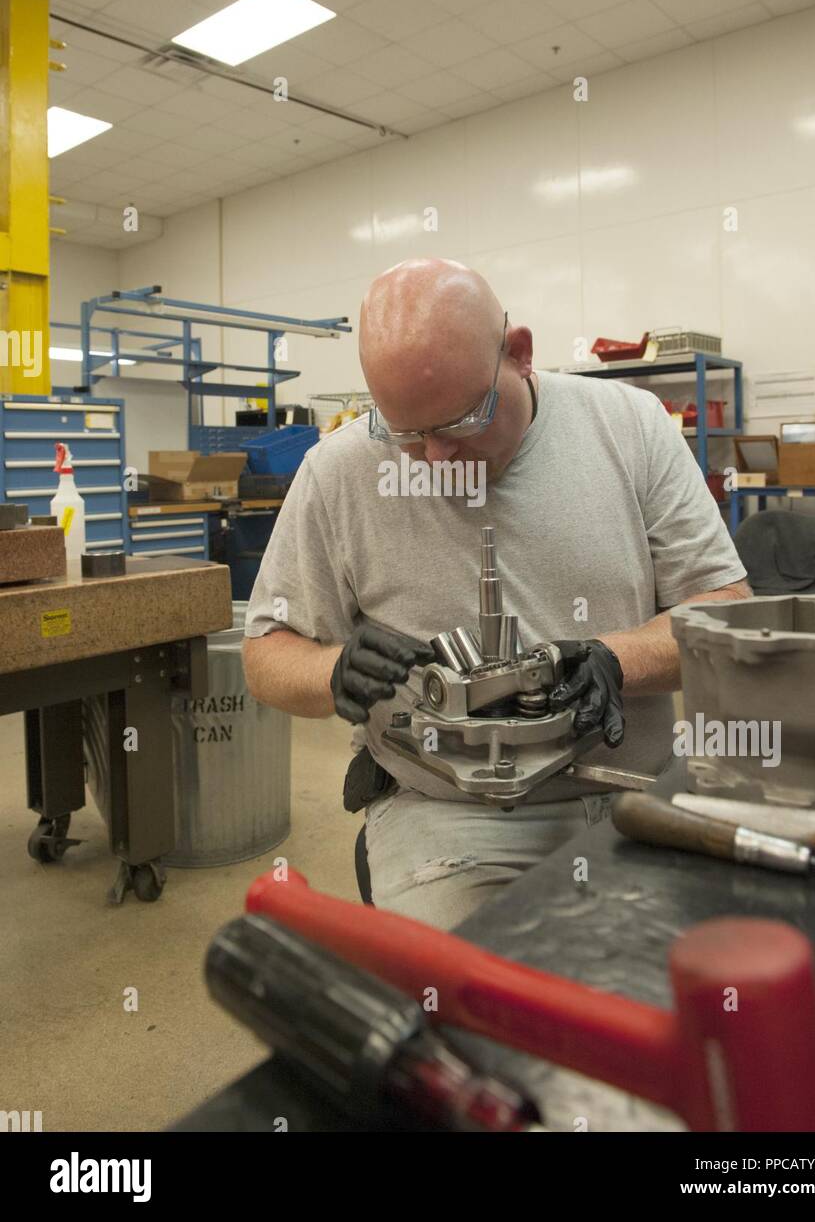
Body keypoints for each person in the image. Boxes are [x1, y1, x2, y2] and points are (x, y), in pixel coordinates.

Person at [243, 258, 749, 929]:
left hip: (628, 796)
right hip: (446, 816)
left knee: (676, 992)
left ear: (519, 354)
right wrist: (330, 670)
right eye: (406, 434)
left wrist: (612, 659)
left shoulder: (629, 425)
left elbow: (727, 612)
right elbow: (265, 654)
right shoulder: (338, 471)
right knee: (475, 1007)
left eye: (456, 424)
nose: (433, 461)